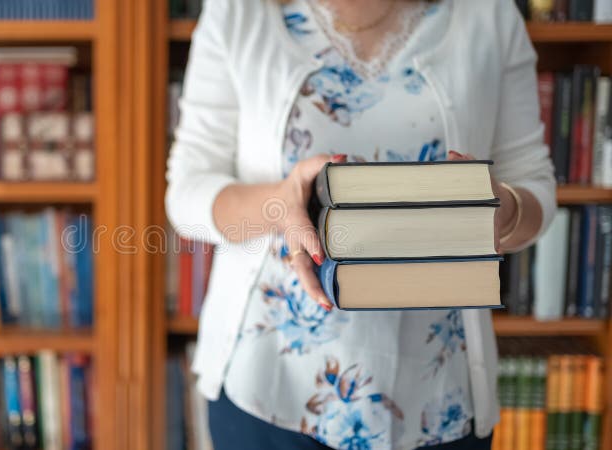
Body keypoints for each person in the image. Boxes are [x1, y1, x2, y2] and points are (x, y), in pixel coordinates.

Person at [165, 0, 556, 449]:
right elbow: (187, 192)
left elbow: (534, 182)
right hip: (269, 386)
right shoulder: (239, 12)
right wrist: (281, 203)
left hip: (439, 397)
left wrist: (503, 211)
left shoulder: (489, 15)